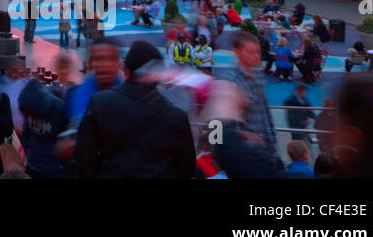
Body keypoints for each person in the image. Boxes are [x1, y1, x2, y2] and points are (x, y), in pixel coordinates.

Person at [74, 41, 195, 178]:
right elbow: (187, 167)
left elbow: (84, 157)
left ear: (126, 71)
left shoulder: (100, 103)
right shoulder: (176, 116)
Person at [219, 31, 281, 168]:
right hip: (246, 156)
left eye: (258, 52)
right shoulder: (231, 82)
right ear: (237, 52)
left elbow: (266, 114)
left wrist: (273, 149)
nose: (257, 56)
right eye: (251, 52)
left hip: (265, 152)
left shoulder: (258, 78)